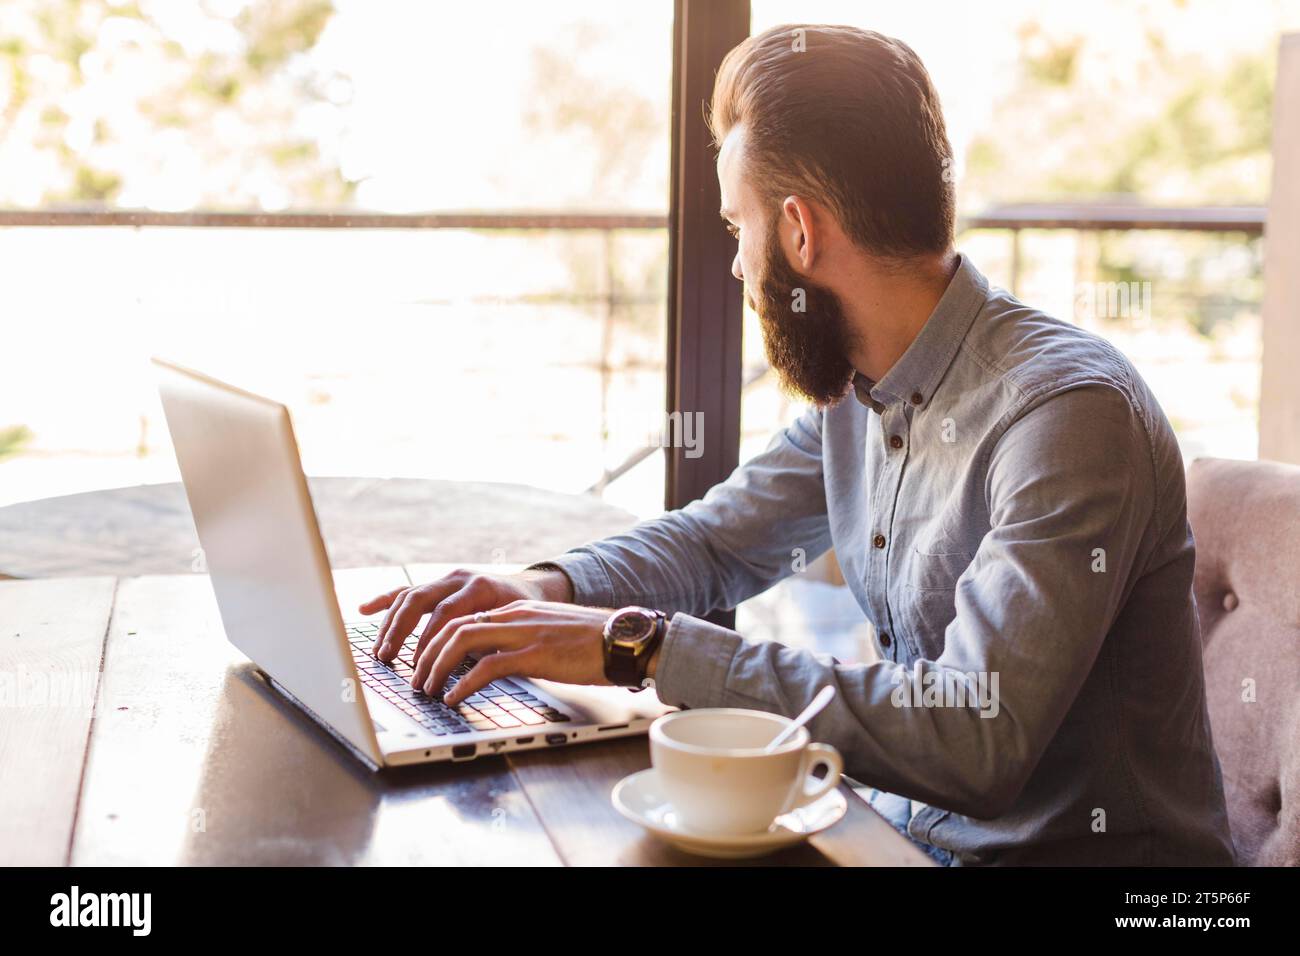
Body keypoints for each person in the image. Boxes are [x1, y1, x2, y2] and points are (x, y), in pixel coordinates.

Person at [361, 24, 1234, 866]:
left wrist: (643, 648)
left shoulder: (1068, 415)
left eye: (737, 229)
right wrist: (541, 588)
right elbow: (718, 539)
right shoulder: (863, 387)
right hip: (896, 837)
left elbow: (977, 735)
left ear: (799, 232)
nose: (738, 268)